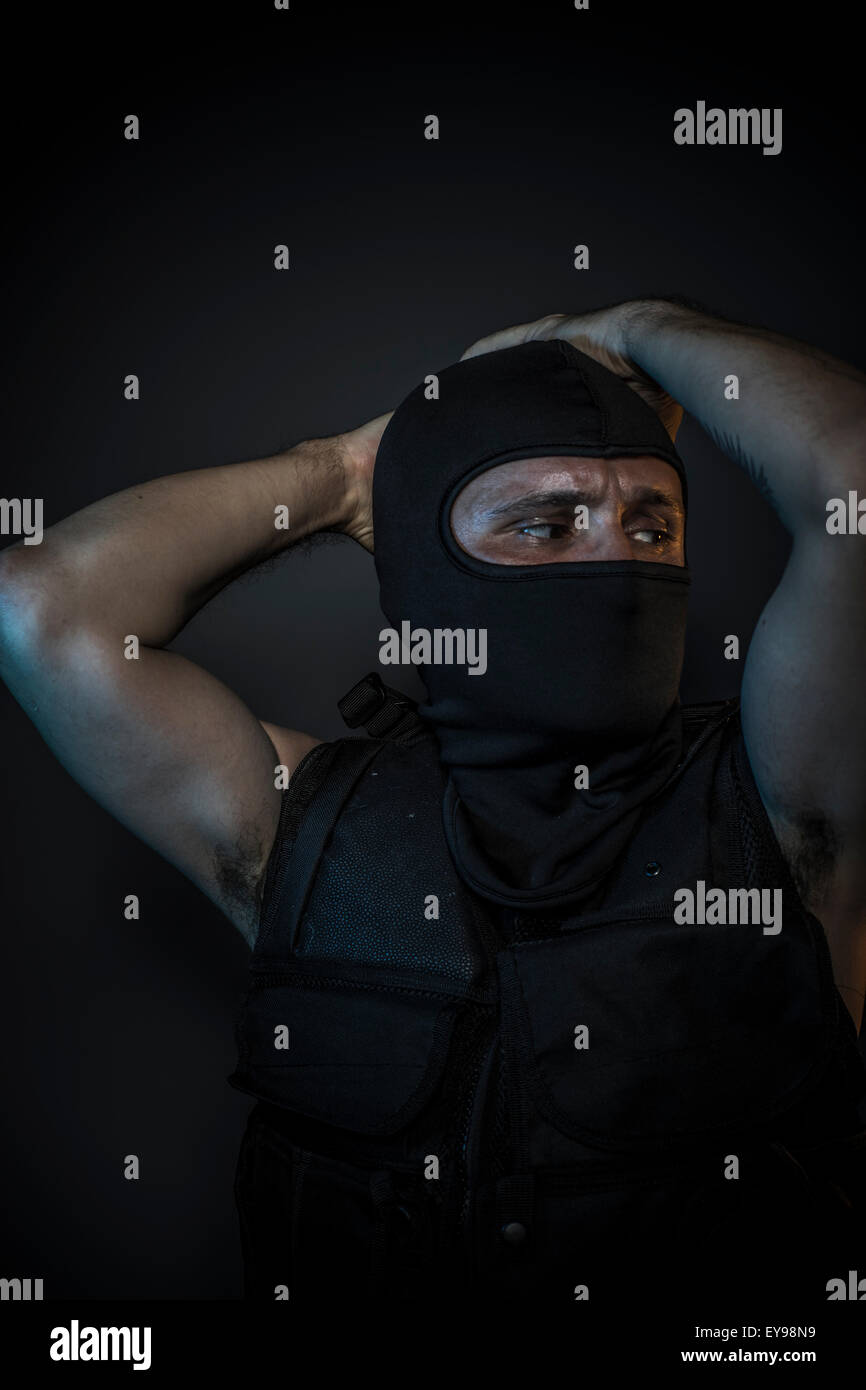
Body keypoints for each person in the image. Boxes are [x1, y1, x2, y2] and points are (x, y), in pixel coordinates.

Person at [1, 297, 864, 1308]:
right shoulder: (300, 823)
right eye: (544, 525)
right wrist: (347, 475)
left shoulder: (784, 797)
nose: (614, 561)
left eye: (649, 522)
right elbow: (43, 607)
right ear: (424, 571)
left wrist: (637, 329)